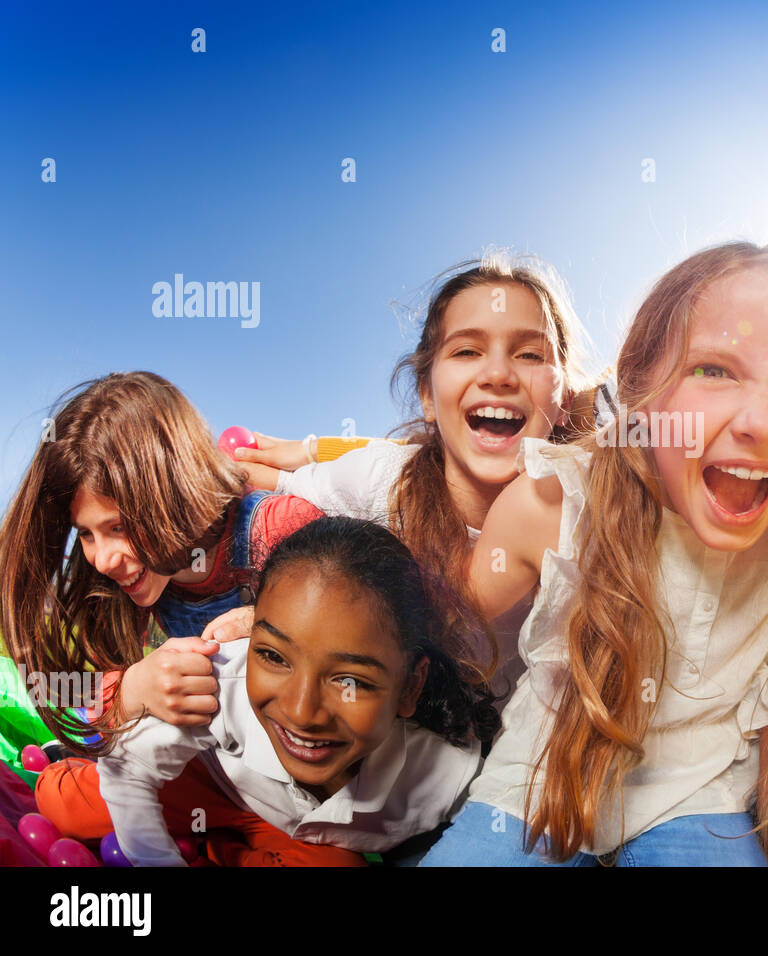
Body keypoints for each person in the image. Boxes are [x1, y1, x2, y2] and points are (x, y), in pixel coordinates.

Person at [420, 239, 768, 867]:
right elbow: (435, 626)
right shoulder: (553, 502)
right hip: (538, 791)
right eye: (716, 370)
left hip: (697, 799)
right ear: (641, 390)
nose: (765, 423)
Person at [213, 253, 596, 701]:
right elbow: (277, 486)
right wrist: (273, 616)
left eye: (530, 354)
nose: (497, 373)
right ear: (427, 396)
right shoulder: (382, 480)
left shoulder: (577, 508)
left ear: (565, 397)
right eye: (467, 350)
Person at [95, 516, 498, 866]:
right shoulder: (219, 688)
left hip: (286, 828)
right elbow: (125, 766)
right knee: (71, 803)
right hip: (203, 781)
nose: (303, 712)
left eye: (351, 681)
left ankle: (223, 848)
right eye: (274, 656)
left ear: (410, 686)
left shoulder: (450, 778)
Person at [0, 371, 322, 755]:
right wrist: (134, 688)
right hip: (221, 759)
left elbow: (365, 628)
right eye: (85, 533)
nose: (103, 560)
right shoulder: (129, 585)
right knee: (65, 791)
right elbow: (94, 700)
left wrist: (268, 624)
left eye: (118, 526)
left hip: (307, 752)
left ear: (173, 493)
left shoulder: (275, 526)